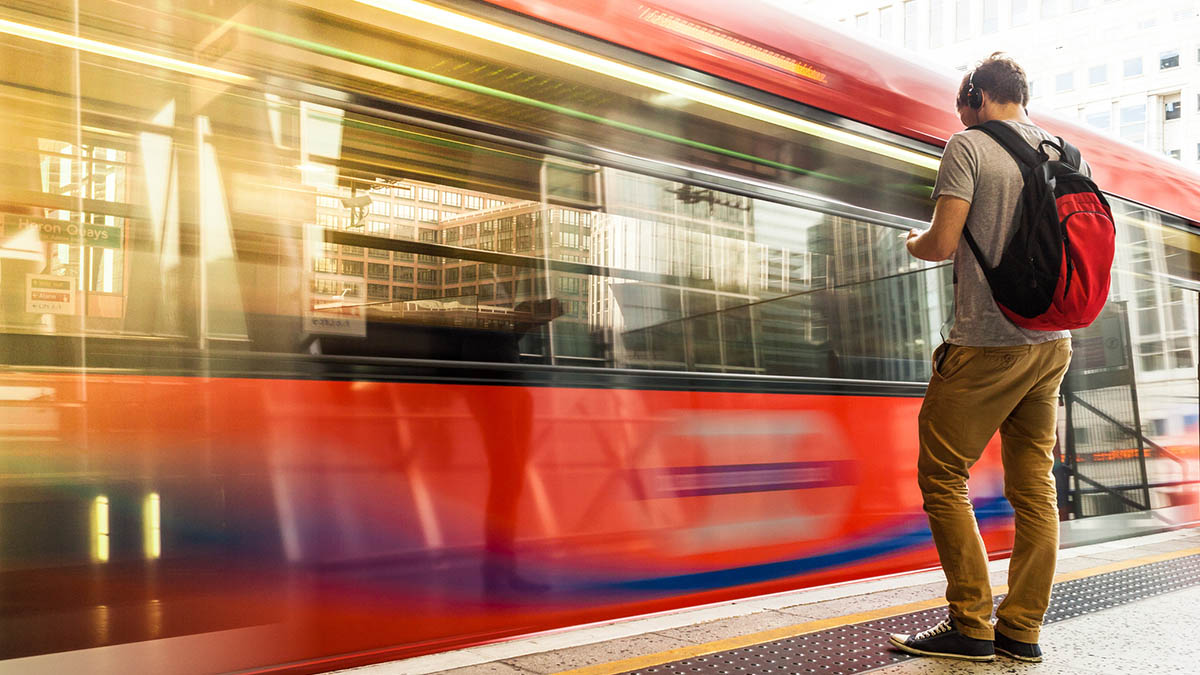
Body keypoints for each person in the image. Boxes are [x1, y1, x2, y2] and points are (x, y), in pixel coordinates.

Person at [887, 53, 1080, 664]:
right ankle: (1021, 630)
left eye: (961, 104)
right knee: (1035, 487)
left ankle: (970, 622)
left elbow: (942, 242)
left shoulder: (968, 146)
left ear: (976, 96)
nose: (960, 114)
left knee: (943, 475)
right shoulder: (1066, 153)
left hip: (987, 344)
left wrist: (910, 242)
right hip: (1052, 343)